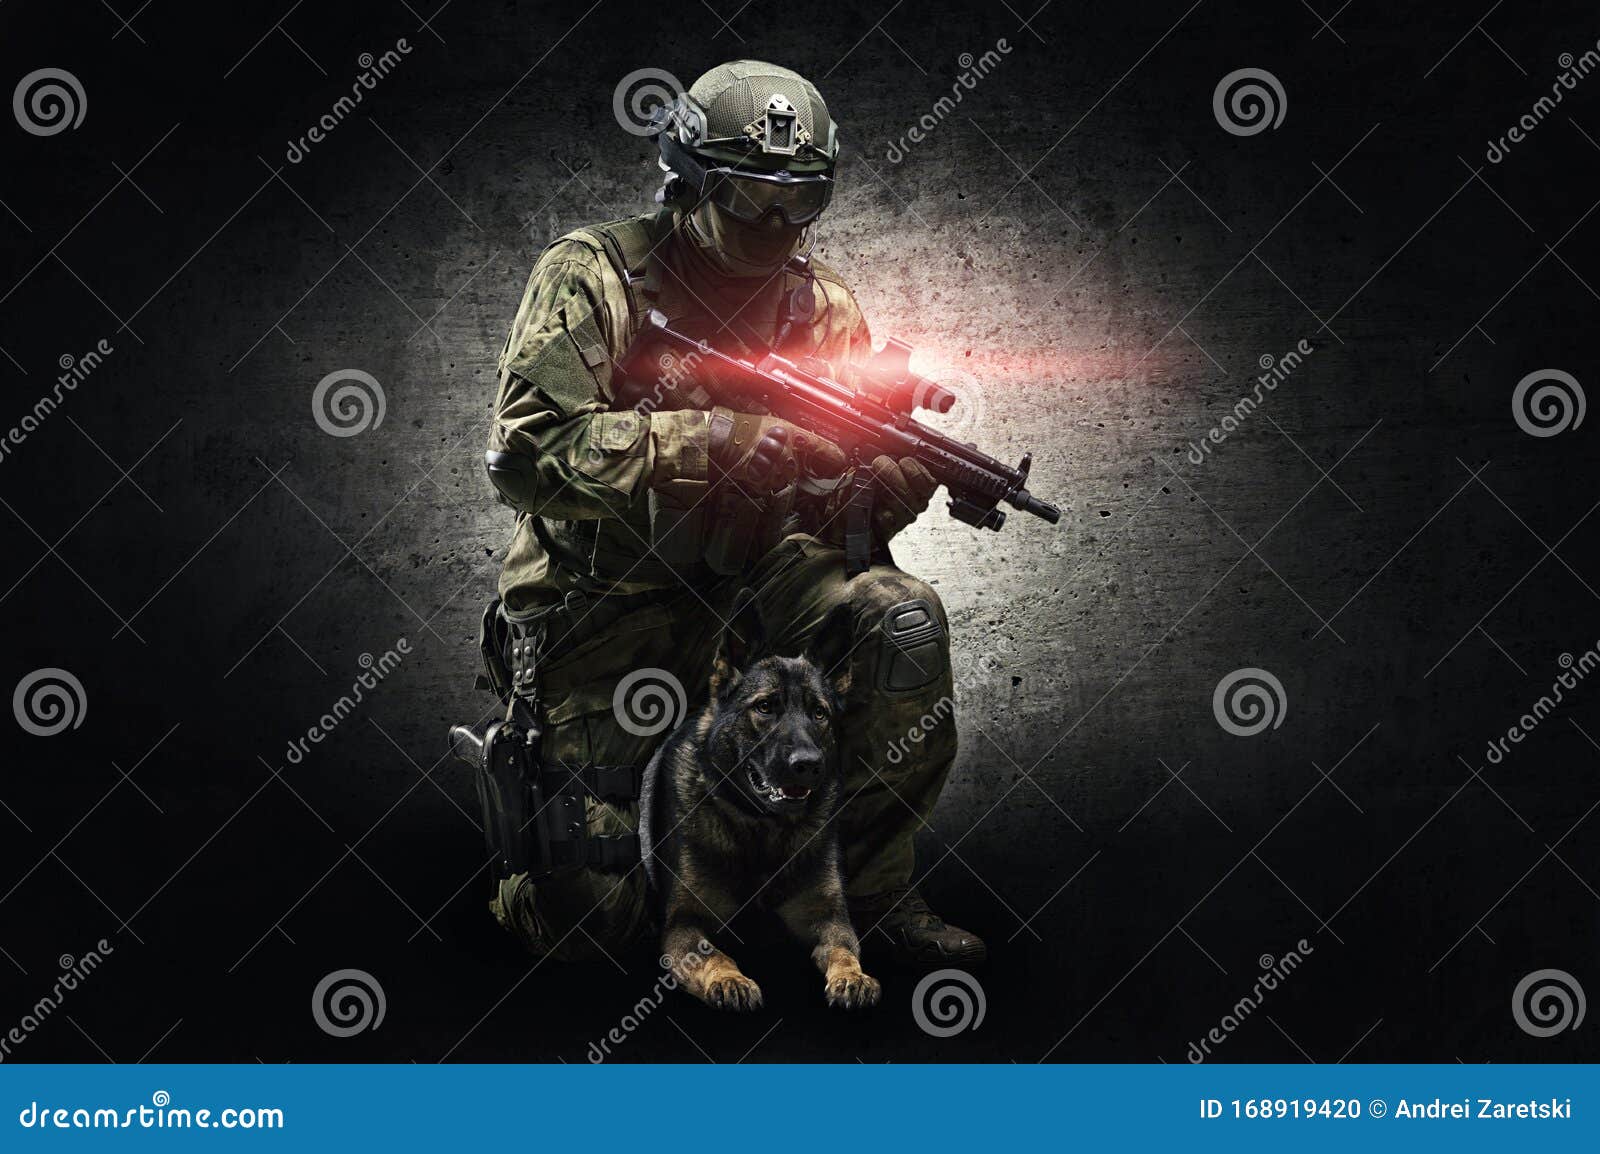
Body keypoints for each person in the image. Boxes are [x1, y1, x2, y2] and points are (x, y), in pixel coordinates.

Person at [477, 60, 983, 968]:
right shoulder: (596, 278)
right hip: (610, 596)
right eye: (751, 199)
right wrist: (705, 440)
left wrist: (901, 479)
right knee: (591, 930)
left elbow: (844, 522)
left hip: (753, 585)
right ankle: (531, 804)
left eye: (802, 200)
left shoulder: (818, 305)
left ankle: (868, 889)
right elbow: (521, 456)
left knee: (900, 618)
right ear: (689, 181)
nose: (777, 226)